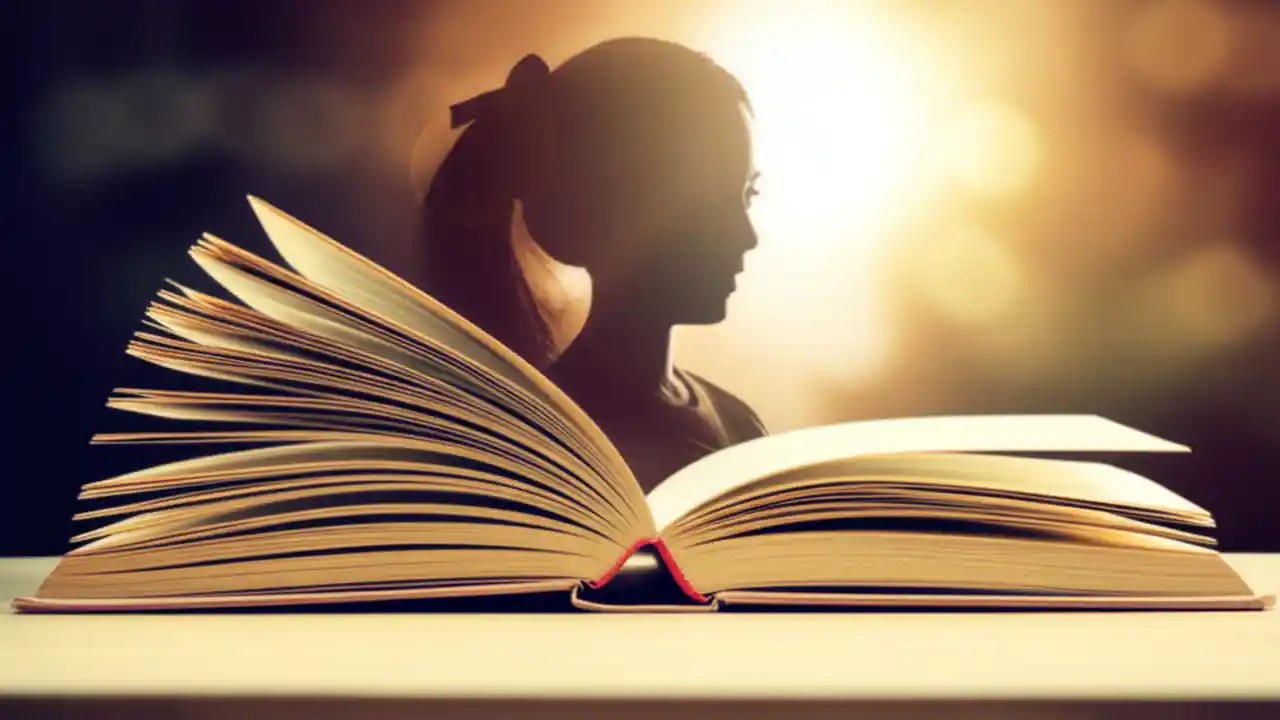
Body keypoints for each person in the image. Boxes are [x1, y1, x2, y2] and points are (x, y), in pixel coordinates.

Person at [418, 37, 766, 491]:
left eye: (748, 197)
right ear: (615, 210)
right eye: (708, 207)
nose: (746, 236)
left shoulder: (740, 424)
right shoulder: (535, 440)